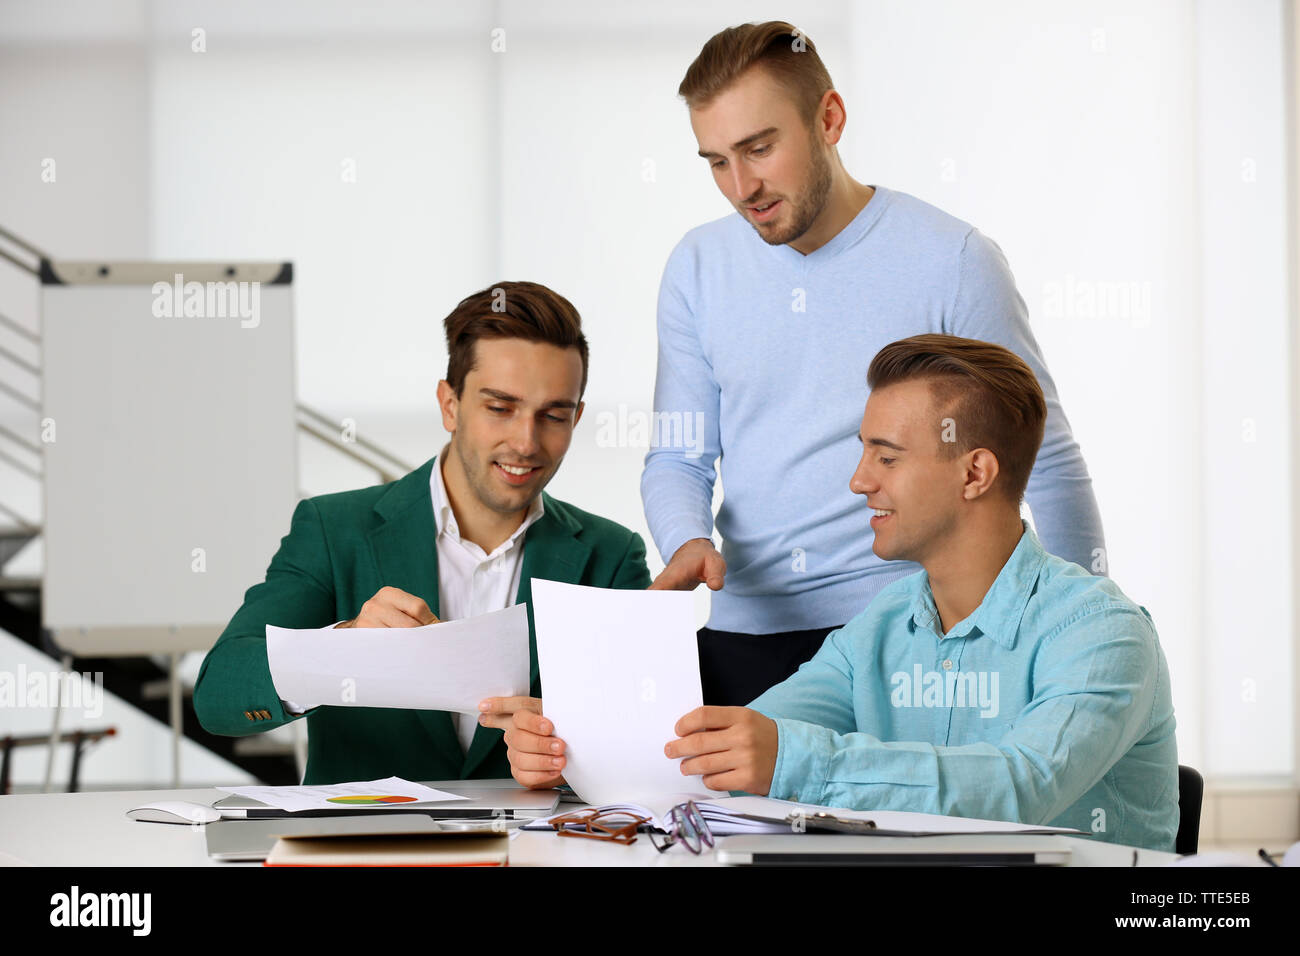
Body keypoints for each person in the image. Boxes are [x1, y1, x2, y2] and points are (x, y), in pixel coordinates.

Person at [509, 334, 1179, 852]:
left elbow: (1019, 786)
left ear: (975, 472)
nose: (860, 482)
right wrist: (574, 738)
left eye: (887, 457)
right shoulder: (884, 625)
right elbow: (741, 744)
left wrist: (790, 759)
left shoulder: (1101, 632)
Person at [642, 21, 1107, 707]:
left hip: (916, 630)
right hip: (746, 634)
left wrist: (1077, 635)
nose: (741, 186)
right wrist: (685, 540)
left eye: (759, 148)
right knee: (717, 815)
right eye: (715, 161)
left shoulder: (952, 260)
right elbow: (678, 458)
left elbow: (1045, 456)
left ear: (829, 118)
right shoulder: (697, 267)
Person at [193, 281, 651, 785]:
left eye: (554, 416)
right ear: (449, 404)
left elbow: (639, 743)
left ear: (576, 417)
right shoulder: (333, 529)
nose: (525, 442)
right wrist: (343, 646)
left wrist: (569, 756)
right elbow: (220, 695)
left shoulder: (610, 555)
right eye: (500, 408)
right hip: (366, 853)